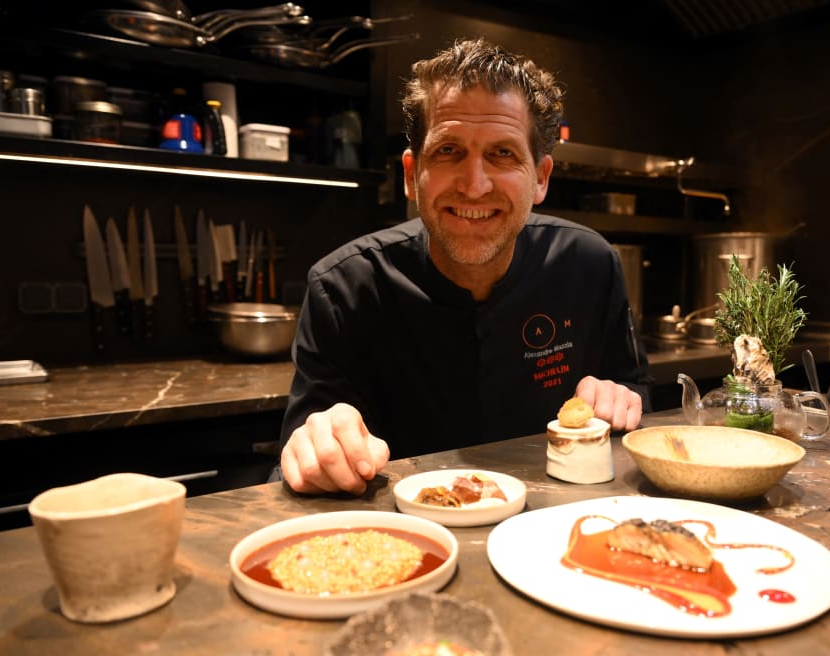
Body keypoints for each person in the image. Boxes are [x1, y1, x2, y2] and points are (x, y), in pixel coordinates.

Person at [279, 37, 651, 495]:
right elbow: (298, 466)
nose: (475, 186)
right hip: (406, 543)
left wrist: (621, 397)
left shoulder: (591, 266)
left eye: (503, 153)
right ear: (412, 175)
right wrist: (315, 447)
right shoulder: (342, 289)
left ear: (541, 178)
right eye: (449, 151)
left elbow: (634, 392)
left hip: (557, 533)